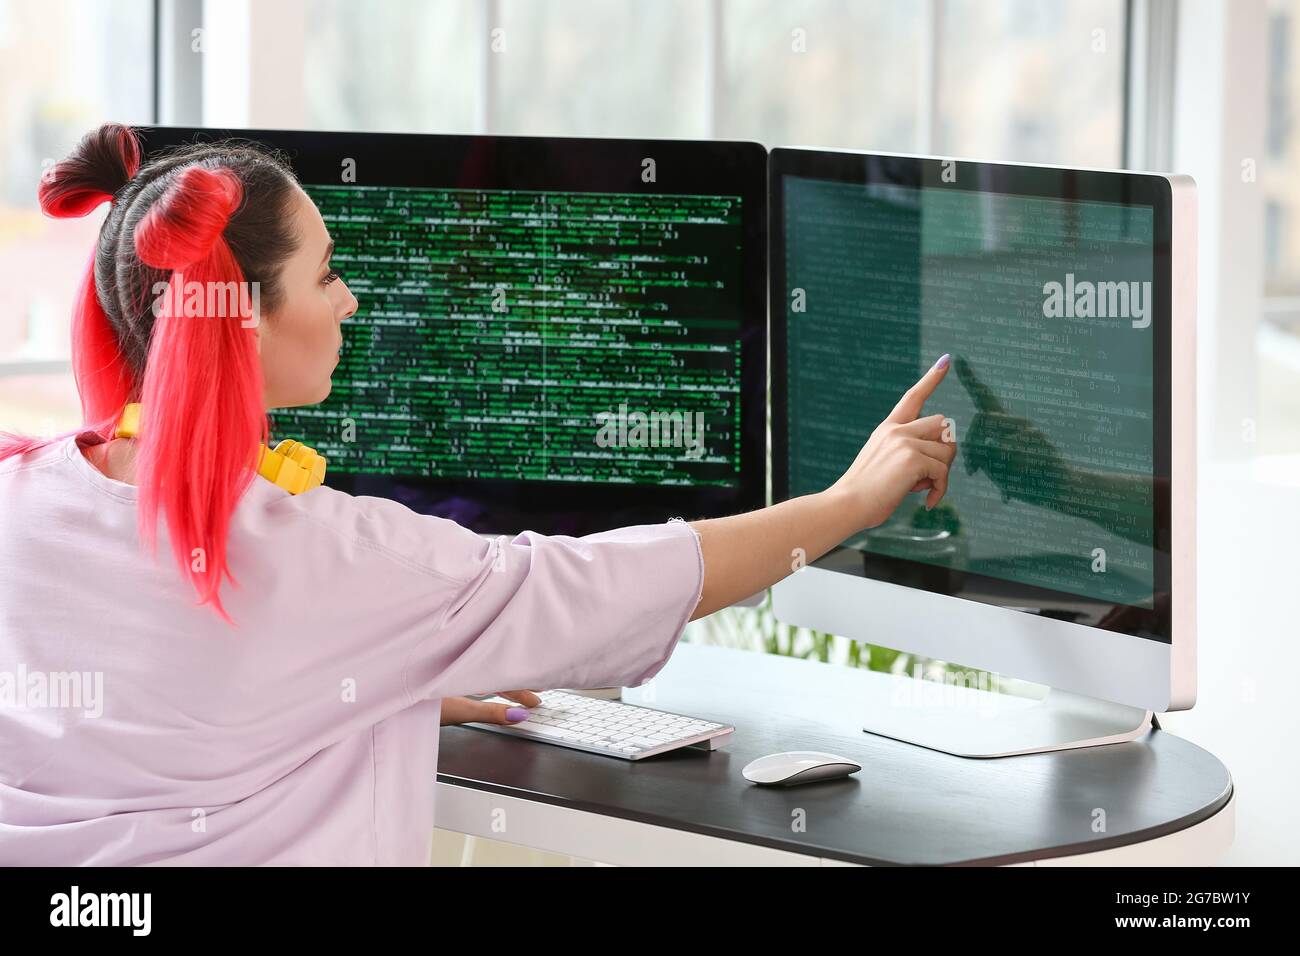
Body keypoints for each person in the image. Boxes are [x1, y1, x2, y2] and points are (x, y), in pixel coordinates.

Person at [0, 124, 955, 865]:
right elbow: (598, 585)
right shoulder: (330, 555)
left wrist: (376, 682)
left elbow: (164, 703)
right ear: (243, 321)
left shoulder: (21, 491)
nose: (350, 301)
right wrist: (848, 502)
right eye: (326, 272)